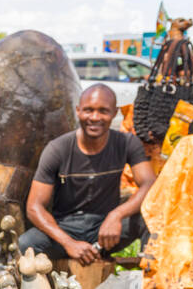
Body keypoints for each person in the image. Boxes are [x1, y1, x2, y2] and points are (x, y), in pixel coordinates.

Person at [19, 84, 155, 264]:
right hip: (66, 228)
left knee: (153, 219)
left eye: (103, 111)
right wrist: (69, 243)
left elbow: (150, 184)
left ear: (115, 113)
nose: (95, 117)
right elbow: (34, 207)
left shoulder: (127, 143)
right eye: (88, 110)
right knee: (27, 243)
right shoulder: (58, 149)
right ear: (78, 111)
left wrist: (117, 215)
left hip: (107, 232)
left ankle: (150, 284)